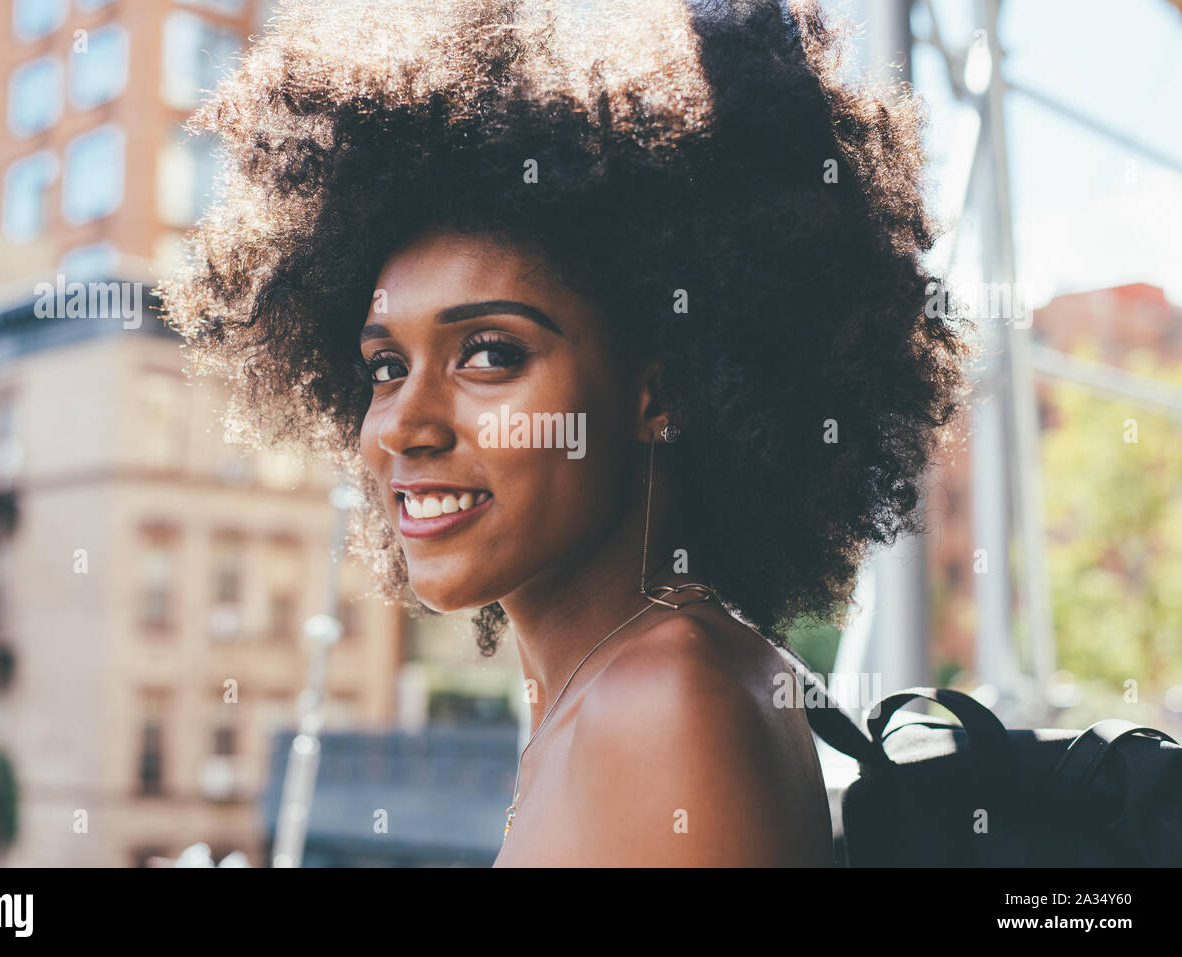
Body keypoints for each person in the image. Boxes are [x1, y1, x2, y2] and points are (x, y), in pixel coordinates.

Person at [159, 0, 969, 866]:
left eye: (490, 353)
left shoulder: (662, 700)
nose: (405, 423)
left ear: (657, 395)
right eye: (385, 366)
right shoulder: (615, 678)